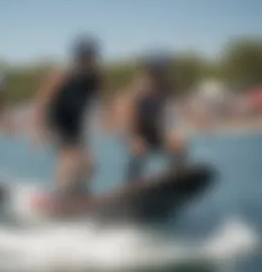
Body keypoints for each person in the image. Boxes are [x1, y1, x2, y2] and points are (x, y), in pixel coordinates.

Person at [33, 35, 107, 199]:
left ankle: (80, 192)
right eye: (84, 58)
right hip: (57, 122)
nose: (88, 62)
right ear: (77, 58)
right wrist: (38, 129)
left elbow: (101, 99)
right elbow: (42, 102)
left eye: (91, 58)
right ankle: (59, 194)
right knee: (69, 157)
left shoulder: (95, 78)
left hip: (76, 124)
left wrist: (108, 120)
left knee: (89, 163)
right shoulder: (61, 76)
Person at [115, 54, 187, 182]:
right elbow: (124, 123)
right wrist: (133, 139)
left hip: (159, 136)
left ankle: (176, 178)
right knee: (137, 152)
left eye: (161, 72)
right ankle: (133, 185)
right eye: (156, 72)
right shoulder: (136, 94)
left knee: (179, 146)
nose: (159, 76)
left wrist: (174, 137)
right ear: (148, 72)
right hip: (139, 139)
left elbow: (171, 120)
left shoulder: (168, 91)